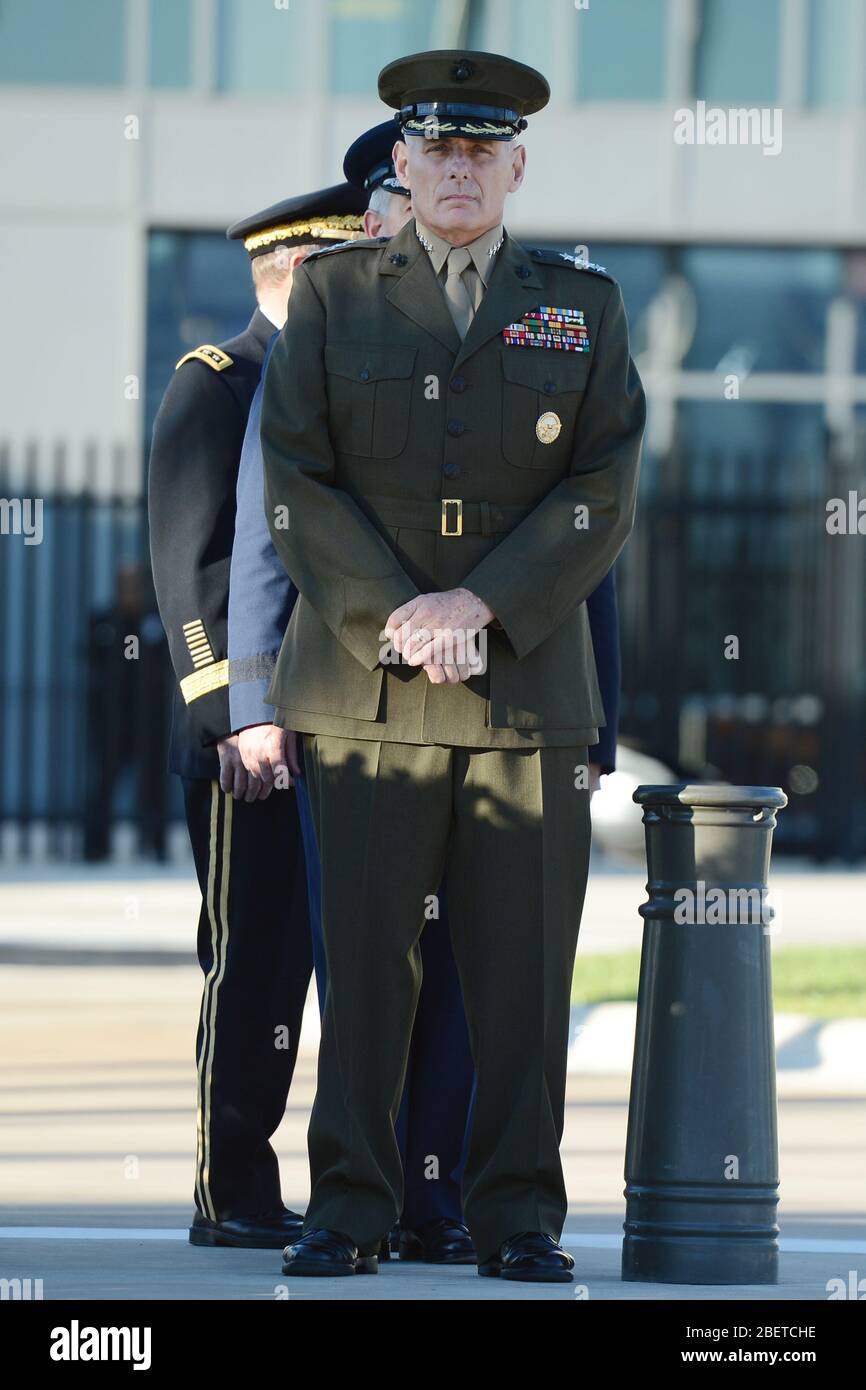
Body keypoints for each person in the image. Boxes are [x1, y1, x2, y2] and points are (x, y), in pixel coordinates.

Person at [262, 49, 646, 1282]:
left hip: (524, 694)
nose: (460, 170)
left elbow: (604, 487)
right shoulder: (332, 294)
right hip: (365, 694)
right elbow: (294, 476)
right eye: (438, 149)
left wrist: (482, 602)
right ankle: (351, 1209)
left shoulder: (578, 304)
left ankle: (516, 1216)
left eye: (483, 151)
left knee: (522, 979)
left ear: (515, 167)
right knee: (364, 974)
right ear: (405, 167)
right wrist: (400, 616)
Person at [147, 181, 365, 1249]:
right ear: (296, 268)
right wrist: (228, 716)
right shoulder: (219, 381)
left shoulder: (339, 380)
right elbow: (190, 567)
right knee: (255, 964)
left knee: (337, 963)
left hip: (340, 722)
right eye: (343, 259)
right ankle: (228, 1188)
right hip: (250, 737)